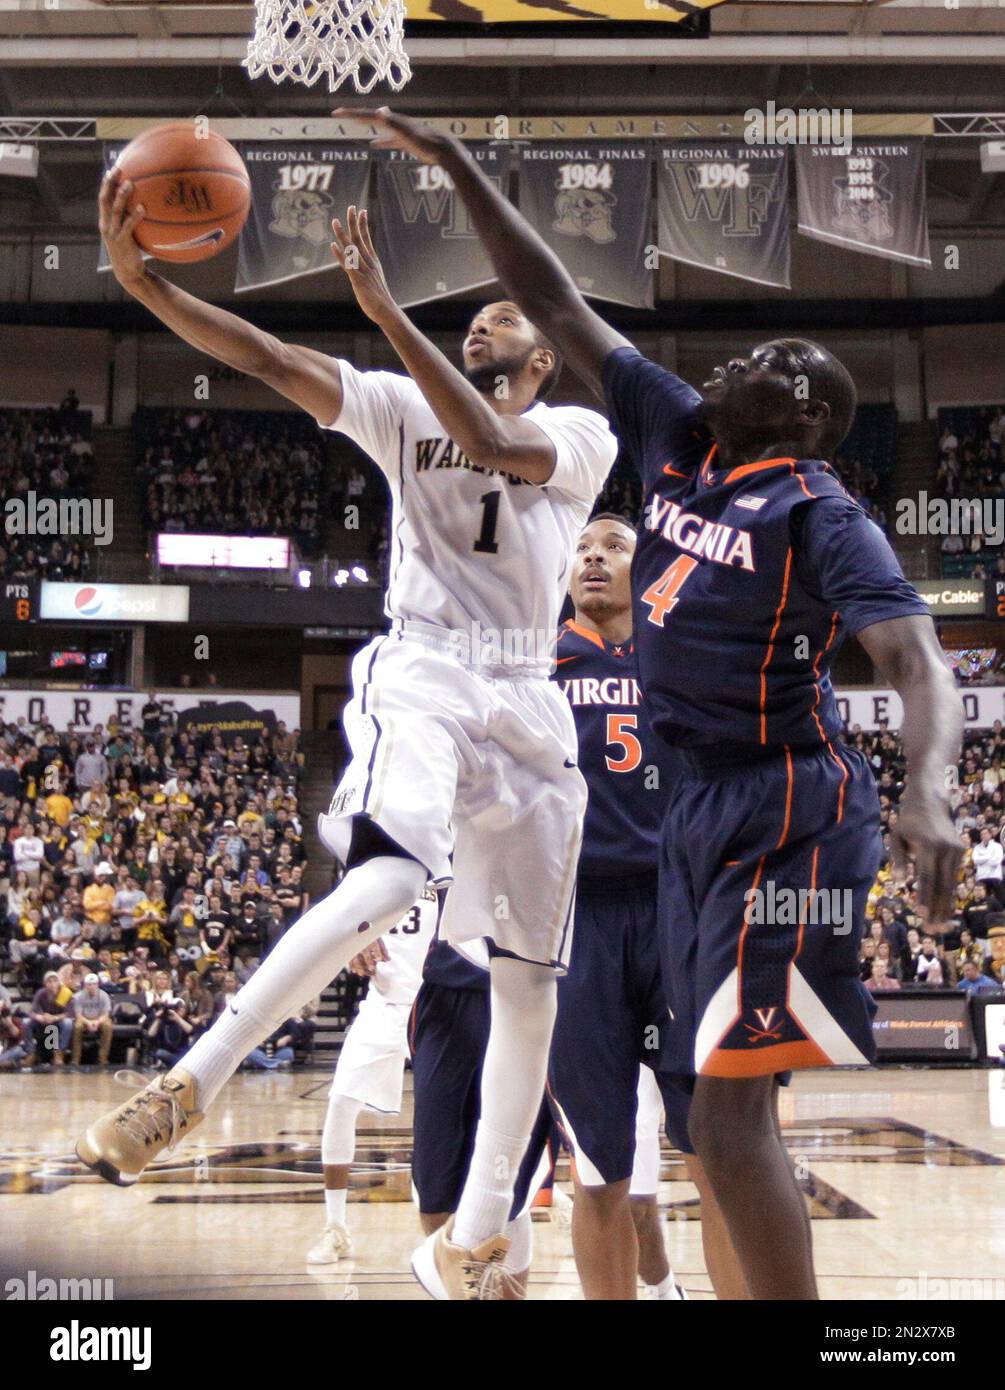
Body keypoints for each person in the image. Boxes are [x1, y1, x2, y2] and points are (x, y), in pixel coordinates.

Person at [356, 109, 964, 1300]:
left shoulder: (818, 511)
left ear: (805, 415)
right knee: (707, 1132)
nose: (743, 358)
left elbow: (915, 656)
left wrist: (932, 789)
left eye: (776, 361)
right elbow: (554, 294)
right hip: (693, 814)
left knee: (726, 1121)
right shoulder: (678, 433)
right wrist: (462, 165)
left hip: (787, 808)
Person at [78, 166, 616, 1313]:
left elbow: (488, 438)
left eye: (505, 318)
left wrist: (386, 315)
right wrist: (150, 288)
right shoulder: (394, 402)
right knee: (392, 874)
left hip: (529, 693)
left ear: (543, 360)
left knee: (532, 982)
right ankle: (192, 1080)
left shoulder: (579, 433)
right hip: (425, 665)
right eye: (474, 318)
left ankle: (476, 1237)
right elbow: (266, 356)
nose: (483, 323)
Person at [305, 890, 436, 1267]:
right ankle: (335, 1228)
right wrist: (354, 940)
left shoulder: (452, 866)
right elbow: (344, 917)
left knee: (438, 1120)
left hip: (434, 1006)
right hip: (381, 1005)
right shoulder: (377, 871)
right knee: (340, 1103)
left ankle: (443, 1232)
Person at [70, 972, 113, 1066]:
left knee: (108, 1026)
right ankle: (76, 1058)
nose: (92, 986)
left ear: (97, 985)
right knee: (77, 1027)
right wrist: (88, 1023)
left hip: (99, 1018)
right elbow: (78, 1015)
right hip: (83, 1018)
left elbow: (106, 1014)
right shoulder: (78, 996)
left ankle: (103, 1058)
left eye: (94, 984)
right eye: (89, 984)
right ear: (85, 985)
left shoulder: (104, 995)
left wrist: (97, 1022)